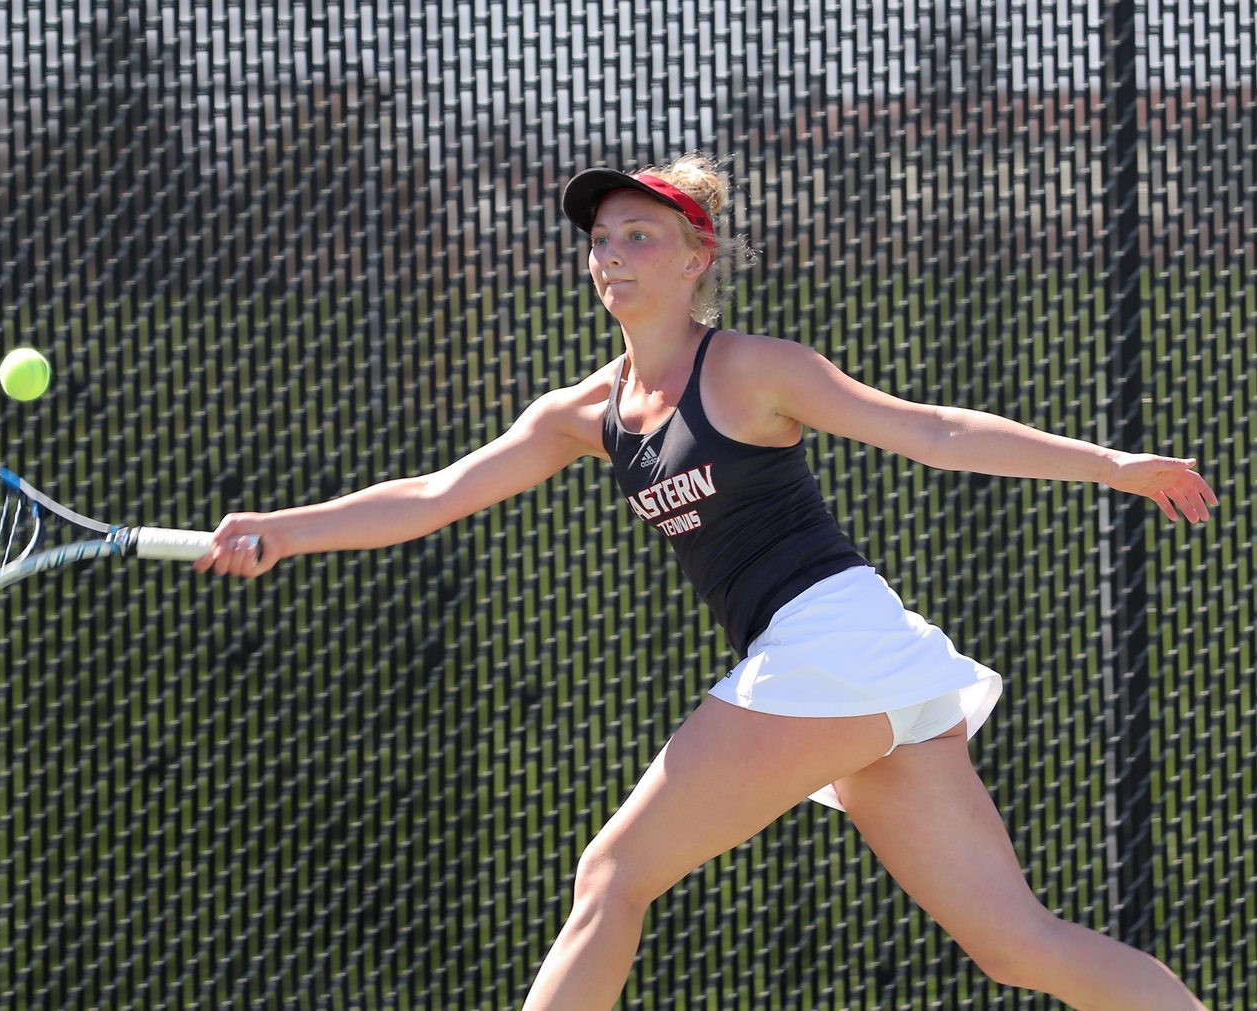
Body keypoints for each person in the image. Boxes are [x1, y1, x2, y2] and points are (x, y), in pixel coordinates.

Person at [194, 153, 1217, 1008]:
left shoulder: (752, 369)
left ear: (697, 256)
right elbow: (430, 495)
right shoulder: (579, 411)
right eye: (599, 240)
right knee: (1015, 947)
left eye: (639, 234)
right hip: (853, 676)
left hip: (828, 645)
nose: (610, 254)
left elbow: (932, 431)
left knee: (610, 875)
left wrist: (1109, 464)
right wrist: (283, 531)